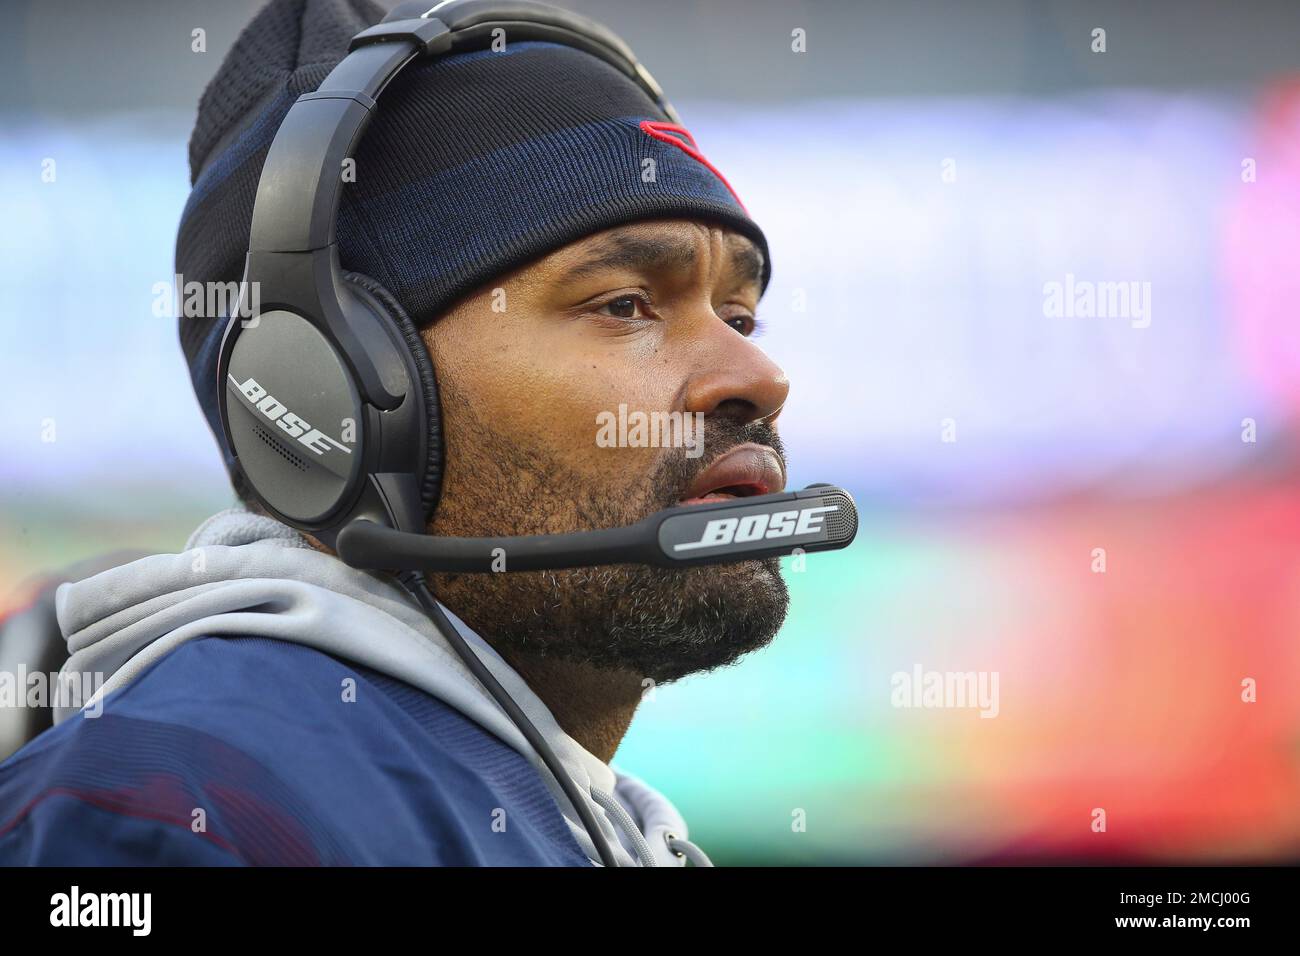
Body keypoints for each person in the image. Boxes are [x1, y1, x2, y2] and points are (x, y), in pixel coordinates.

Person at [0, 0, 792, 866]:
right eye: (624, 305)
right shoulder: (172, 810)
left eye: (739, 317)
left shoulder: (584, 822)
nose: (759, 378)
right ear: (336, 397)